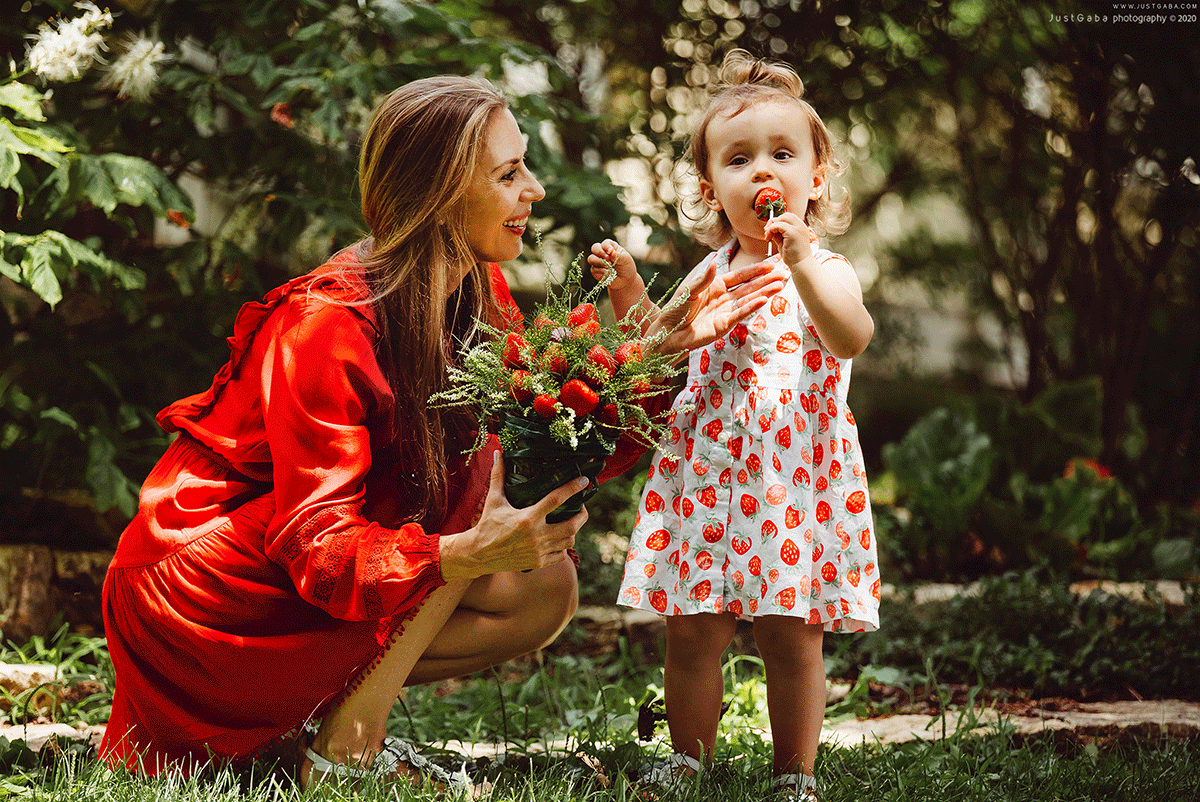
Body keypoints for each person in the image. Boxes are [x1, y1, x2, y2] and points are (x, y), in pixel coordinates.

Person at [98, 75, 785, 791]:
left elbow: (538, 447)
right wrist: (458, 553)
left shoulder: (473, 290)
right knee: (469, 485)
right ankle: (344, 755)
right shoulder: (325, 325)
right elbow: (319, 549)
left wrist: (659, 358)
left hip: (275, 578)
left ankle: (312, 731)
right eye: (510, 173)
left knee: (543, 587)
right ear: (440, 192)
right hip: (196, 595)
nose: (536, 190)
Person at [589, 49, 879, 800]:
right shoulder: (710, 272)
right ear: (712, 189)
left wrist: (806, 262)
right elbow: (655, 350)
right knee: (693, 632)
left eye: (783, 155)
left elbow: (849, 336)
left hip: (790, 481)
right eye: (739, 159)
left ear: (815, 179)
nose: (762, 173)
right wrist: (627, 292)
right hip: (709, 477)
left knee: (791, 636)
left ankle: (794, 775)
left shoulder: (830, 270)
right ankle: (687, 759)